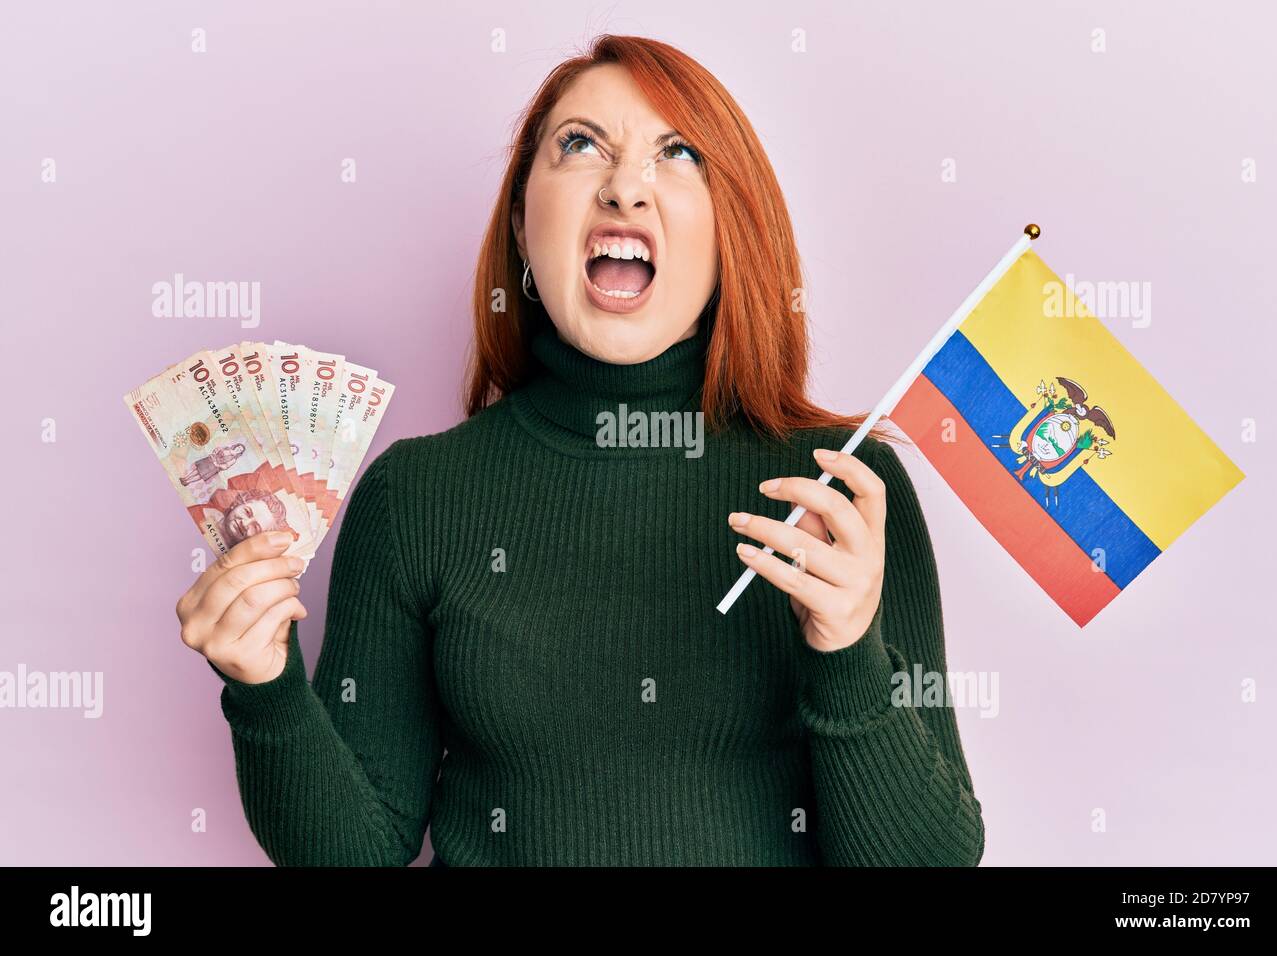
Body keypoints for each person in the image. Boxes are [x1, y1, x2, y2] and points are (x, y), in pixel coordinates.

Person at [174, 34, 985, 867]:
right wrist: (264, 688)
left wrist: (848, 646)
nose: (626, 186)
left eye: (677, 153)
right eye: (580, 144)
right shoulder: (414, 497)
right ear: (524, 225)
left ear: (730, 229)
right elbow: (356, 851)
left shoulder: (836, 491)